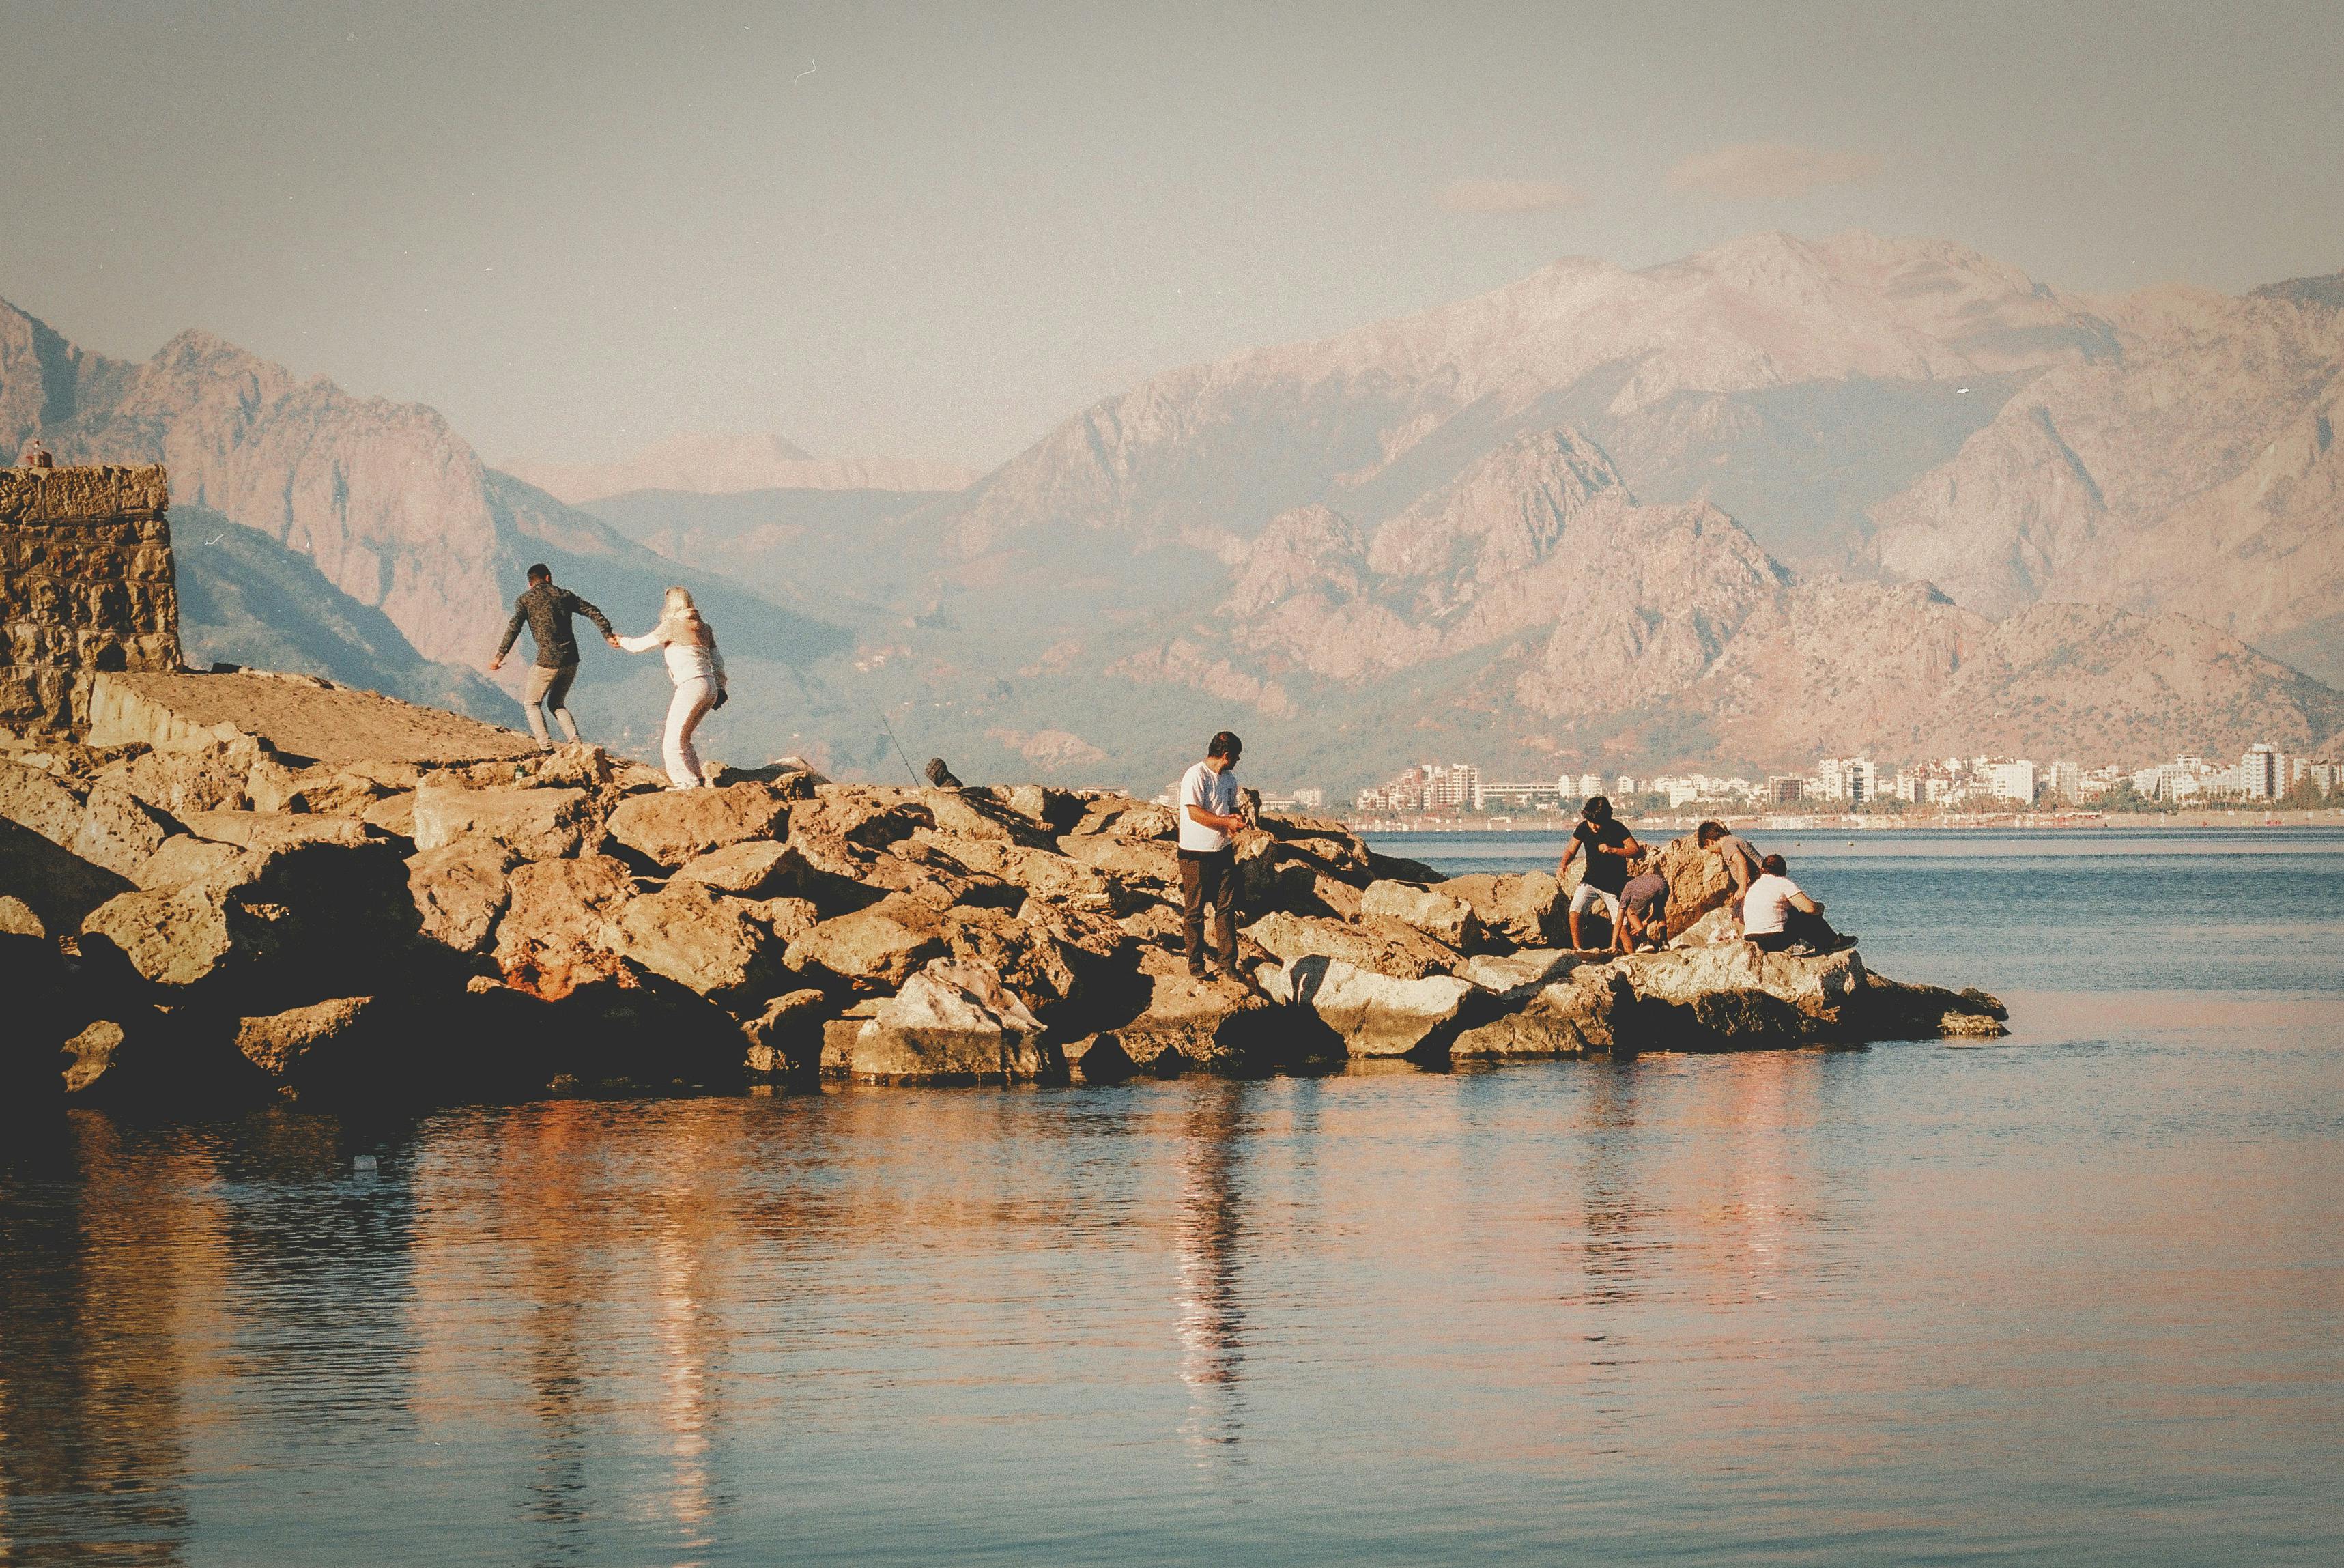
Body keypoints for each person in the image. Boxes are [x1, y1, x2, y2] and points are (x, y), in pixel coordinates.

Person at [490, 564, 618, 747]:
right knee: (556, 703)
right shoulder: (564, 595)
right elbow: (592, 611)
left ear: (530, 584)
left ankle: (545, 747)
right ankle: (576, 745)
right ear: (548, 578)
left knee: (532, 704)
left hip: (547, 662)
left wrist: (499, 656)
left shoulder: (525, 600)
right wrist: (608, 634)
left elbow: (514, 628)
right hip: (571, 659)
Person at [618, 586, 728, 789]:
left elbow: (638, 646)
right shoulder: (704, 628)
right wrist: (720, 687)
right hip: (709, 687)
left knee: (672, 742)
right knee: (683, 737)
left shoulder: (672, 625)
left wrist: (619, 640)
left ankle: (686, 784)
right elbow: (718, 661)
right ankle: (697, 779)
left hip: (691, 686)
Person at [1177, 731, 1247, 979]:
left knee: (1225, 909)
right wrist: (1225, 822)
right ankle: (1196, 965)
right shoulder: (1195, 775)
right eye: (1237, 756)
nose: (1238, 760)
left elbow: (1231, 807)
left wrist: (1236, 818)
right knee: (1194, 912)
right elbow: (1194, 813)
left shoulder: (1230, 779)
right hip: (1195, 854)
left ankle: (1229, 964)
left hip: (1222, 852)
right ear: (1226, 755)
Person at [1558, 795, 1642, 950]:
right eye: (1591, 822)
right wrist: (1563, 864)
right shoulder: (1583, 828)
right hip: (1590, 880)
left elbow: (1636, 851)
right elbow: (1571, 849)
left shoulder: (1617, 828)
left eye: (1598, 823)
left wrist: (1614, 850)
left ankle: (1631, 955)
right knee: (1575, 912)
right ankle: (1578, 950)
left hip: (1615, 885)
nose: (1594, 826)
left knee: (1622, 926)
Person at [1741, 853, 1856, 955]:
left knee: (1792, 912)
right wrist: (1821, 907)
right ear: (1783, 871)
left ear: (1763, 869)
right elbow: (1810, 908)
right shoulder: (1782, 882)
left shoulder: (1754, 887)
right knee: (1806, 916)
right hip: (1773, 940)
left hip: (1750, 938)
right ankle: (1833, 941)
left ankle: (1818, 943)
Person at [1696, 819, 1766, 923]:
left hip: (1757, 882)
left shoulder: (1727, 845)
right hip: (1756, 882)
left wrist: (1742, 888)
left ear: (1709, 842)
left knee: (1740, 917)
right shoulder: (1731, 840)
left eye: (1708, 848)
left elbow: (1741, 862)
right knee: (1737, 914)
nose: (1712, 852)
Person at [1616, 857, 1670, 952]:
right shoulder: (1638, 880)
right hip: (1662, 883)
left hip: (1649, 889)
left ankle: (1645, 942)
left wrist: (1614, 943)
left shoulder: (1627, 888)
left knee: (1630, 912)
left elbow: (1619, 920)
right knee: (1660, 911)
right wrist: (1644, 923)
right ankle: (1664, 942)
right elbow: (1655, 913)